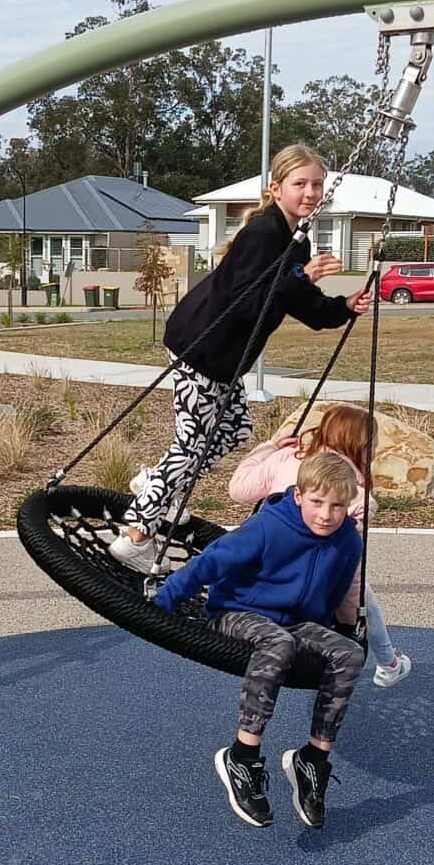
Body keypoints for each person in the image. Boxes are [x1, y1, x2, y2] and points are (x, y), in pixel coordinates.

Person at [111, 143, 373, 570]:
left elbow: (301, 304)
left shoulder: (295, 240)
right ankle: (136, 534)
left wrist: (344, 307)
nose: (310, 192)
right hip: (202, 346)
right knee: (191, 443)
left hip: (225, 359)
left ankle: (157, 484)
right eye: (300, 183)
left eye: (317, 184)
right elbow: (247, 301)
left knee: (234, 430)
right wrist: (299, 276)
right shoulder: (263, 233)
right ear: (276, 187)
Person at [153, 451, 368, 830]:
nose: (326, 514)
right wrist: (163, 602)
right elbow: (212, 561)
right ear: (299, 496)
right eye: (317, 502)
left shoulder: (348, 542)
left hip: (297, 622)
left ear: (348, 505)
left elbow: (337, 593)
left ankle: (313, 760)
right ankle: (243, 755)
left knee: (349, 654)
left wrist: (344, 632)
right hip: (237, 611)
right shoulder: (269, 526)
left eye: (337, 506)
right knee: (278, 643)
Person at [227, 401, 412, 689]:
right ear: (359, 446)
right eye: (373, 443)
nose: (376, 450)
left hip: (257, 571)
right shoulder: (353, 495)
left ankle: (389, 662)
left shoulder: (286, 457)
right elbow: (347, 571)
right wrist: (350, 626)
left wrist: (268, 448)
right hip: (305, 585)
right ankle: (388, 663)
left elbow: (238, 489)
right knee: (362, 593)